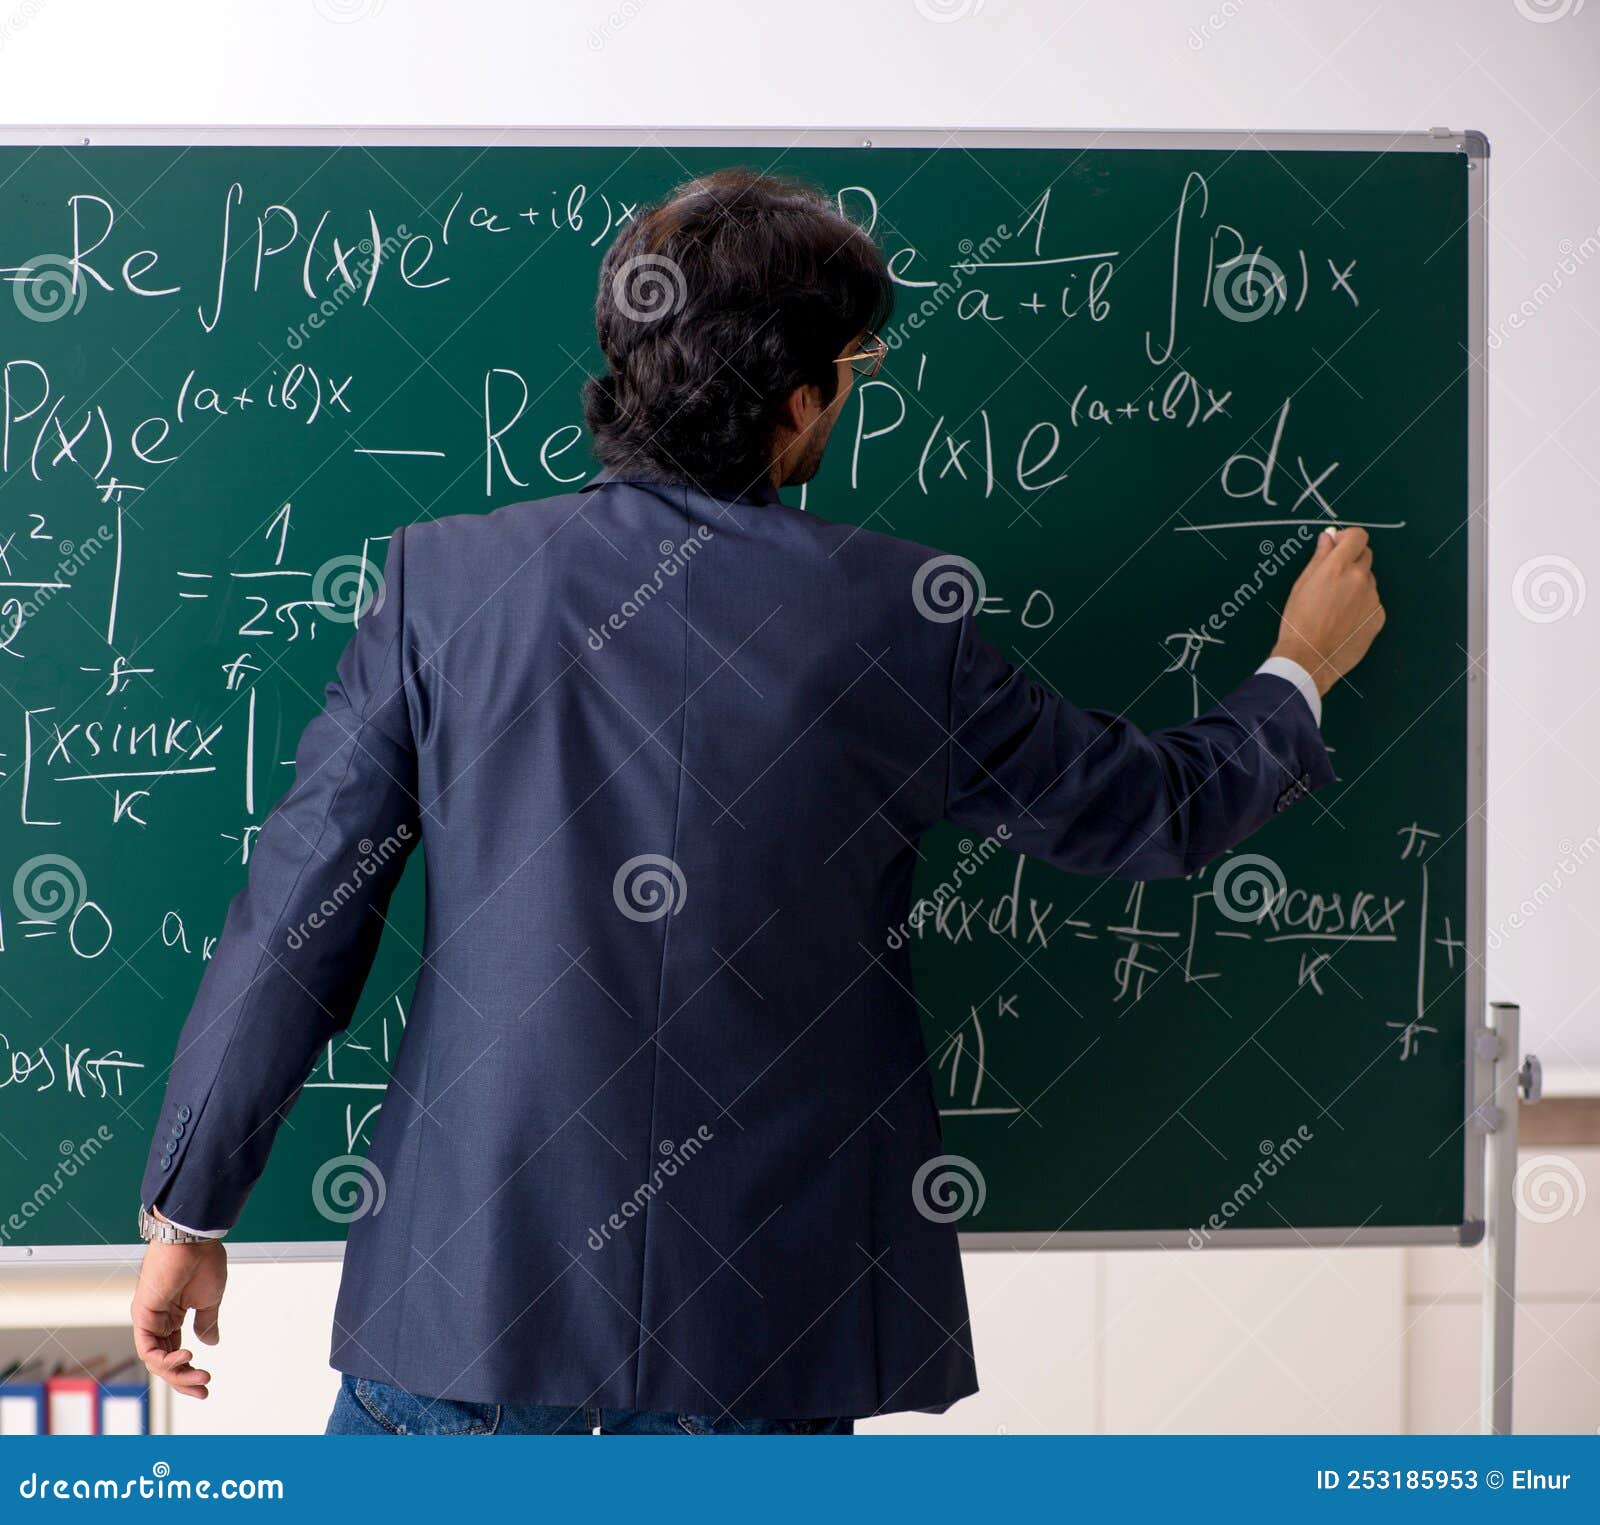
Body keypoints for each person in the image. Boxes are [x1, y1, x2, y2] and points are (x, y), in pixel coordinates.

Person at [130, 169, 1384, 1437]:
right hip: (761, 1353)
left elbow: (295, 918)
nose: (850, 389)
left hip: (465, 1323)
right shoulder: (896, 620)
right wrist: (1300, 669)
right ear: (799, 403)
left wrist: (191, 1209)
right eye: (854, 366)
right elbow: (1145, 812)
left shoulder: (441, 590)